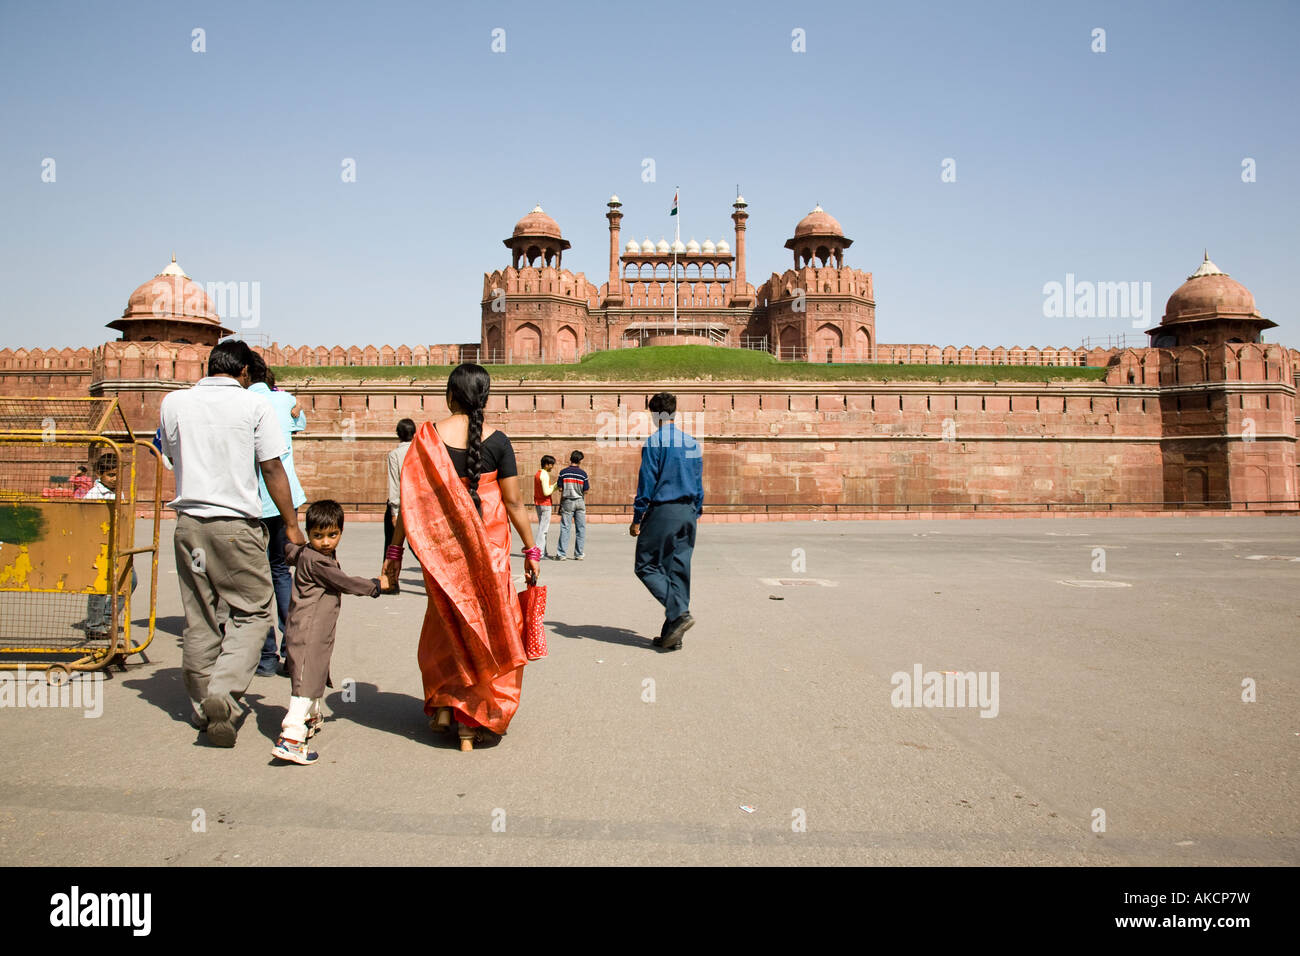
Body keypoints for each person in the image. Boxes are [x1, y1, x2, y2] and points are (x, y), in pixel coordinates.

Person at [382, 363, 540, 752]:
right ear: (485, 397)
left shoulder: (427, 437)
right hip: (492, 555)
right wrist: (531, 549)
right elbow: (514, 502)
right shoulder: (499, 441)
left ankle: (444, 705)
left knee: (447, 626)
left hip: (442, 556)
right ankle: (473, 716)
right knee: (490, 630)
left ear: (449, 395)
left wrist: (395, 551)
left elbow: (410, 503)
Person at [158, 339, 304, 748]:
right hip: (236, 525)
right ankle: (222, 694)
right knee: (253, 614)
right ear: (243, 372)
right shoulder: (253, 405)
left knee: (200, 618)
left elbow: (171, 456)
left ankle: (204, 707)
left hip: (188, 525)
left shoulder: (174, 403)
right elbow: (272, 467)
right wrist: (292, 525)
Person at [272, 500, 384, 765]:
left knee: (313, 673)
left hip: (316, 629)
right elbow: (343, 581)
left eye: (332, 535)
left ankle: (310, 717)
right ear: (309, 534)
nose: (325, 542)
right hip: (308, 629)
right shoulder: (317, 560)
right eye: (318, 536)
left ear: (341, 532)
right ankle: (292, 737)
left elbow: (290, 551)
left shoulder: (307, 554)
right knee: (305, 679)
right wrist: (374, 586)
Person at [629, 392, 703, 651]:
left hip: (664, 511)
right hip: (688, 512)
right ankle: (673, 635)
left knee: (646, 565)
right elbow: (698, 482)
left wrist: (638, 518)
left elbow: (647, 484)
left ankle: (679, 613)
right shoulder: (692, 443)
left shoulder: (654, 442)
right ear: (674, 412)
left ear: (653, 414)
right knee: (678, 571)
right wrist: (695, 512)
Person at [249, 357, 308, 676]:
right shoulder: (284, 399)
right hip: (285, 501)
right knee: (282, 573)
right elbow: (299, 423)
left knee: (253, 578)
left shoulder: (241, 401)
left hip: (251, 501)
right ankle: (291, 650)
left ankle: (266, 657)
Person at [80, 453, 137, 639]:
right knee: (99, 587)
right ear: (99, 474)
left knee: (130, 581)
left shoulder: (117, 492)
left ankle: (106, 617)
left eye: (117, 475)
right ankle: (94, 625)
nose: (115, 479)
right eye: (111, 475)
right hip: (99, 546)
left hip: (117, 545)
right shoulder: (94, 495)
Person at [384, 418, 416, 571]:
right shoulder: (420, 451)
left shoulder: (394, 455)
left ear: (398, 434)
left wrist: (394, 512)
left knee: (391, 543)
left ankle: (390, 578)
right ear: (414, 434)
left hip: (402, 505)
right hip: (419, 503)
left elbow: (395, 483)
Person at [555, 450, 589, 560]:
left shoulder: (563, 472)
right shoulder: (583, 474)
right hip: (579, 501)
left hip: (567, 501)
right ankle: (579, 554)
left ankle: (561, 554)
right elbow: (586, 490)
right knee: (581, 528)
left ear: (571, 459)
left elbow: (560, 488)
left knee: (565, 527)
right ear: (580, 461)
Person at [533, 455, 557, 559]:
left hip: (538, 503)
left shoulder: (537, 473)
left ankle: (543, 551)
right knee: (543, 530)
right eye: (551, 464)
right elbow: (546, 492)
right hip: (545, 504)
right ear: (546, 464)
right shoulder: (544, 475)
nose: (552, 467)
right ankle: (539, 552)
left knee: (542, 528)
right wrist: (556, 486)